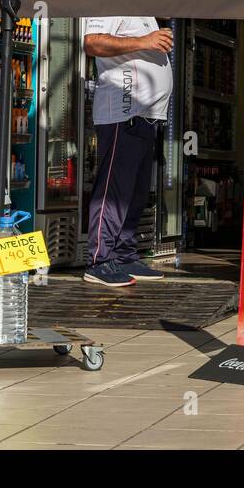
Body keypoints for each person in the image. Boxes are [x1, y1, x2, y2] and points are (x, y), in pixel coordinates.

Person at [82, 16, 174, 287]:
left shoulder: (143, 12)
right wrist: (145, 41)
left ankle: (124, 254)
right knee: (113, 190)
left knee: (135, 192)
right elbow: (92, 43)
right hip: (123, 113)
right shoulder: (112, 3)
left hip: (146, 115)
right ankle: (99, 259)